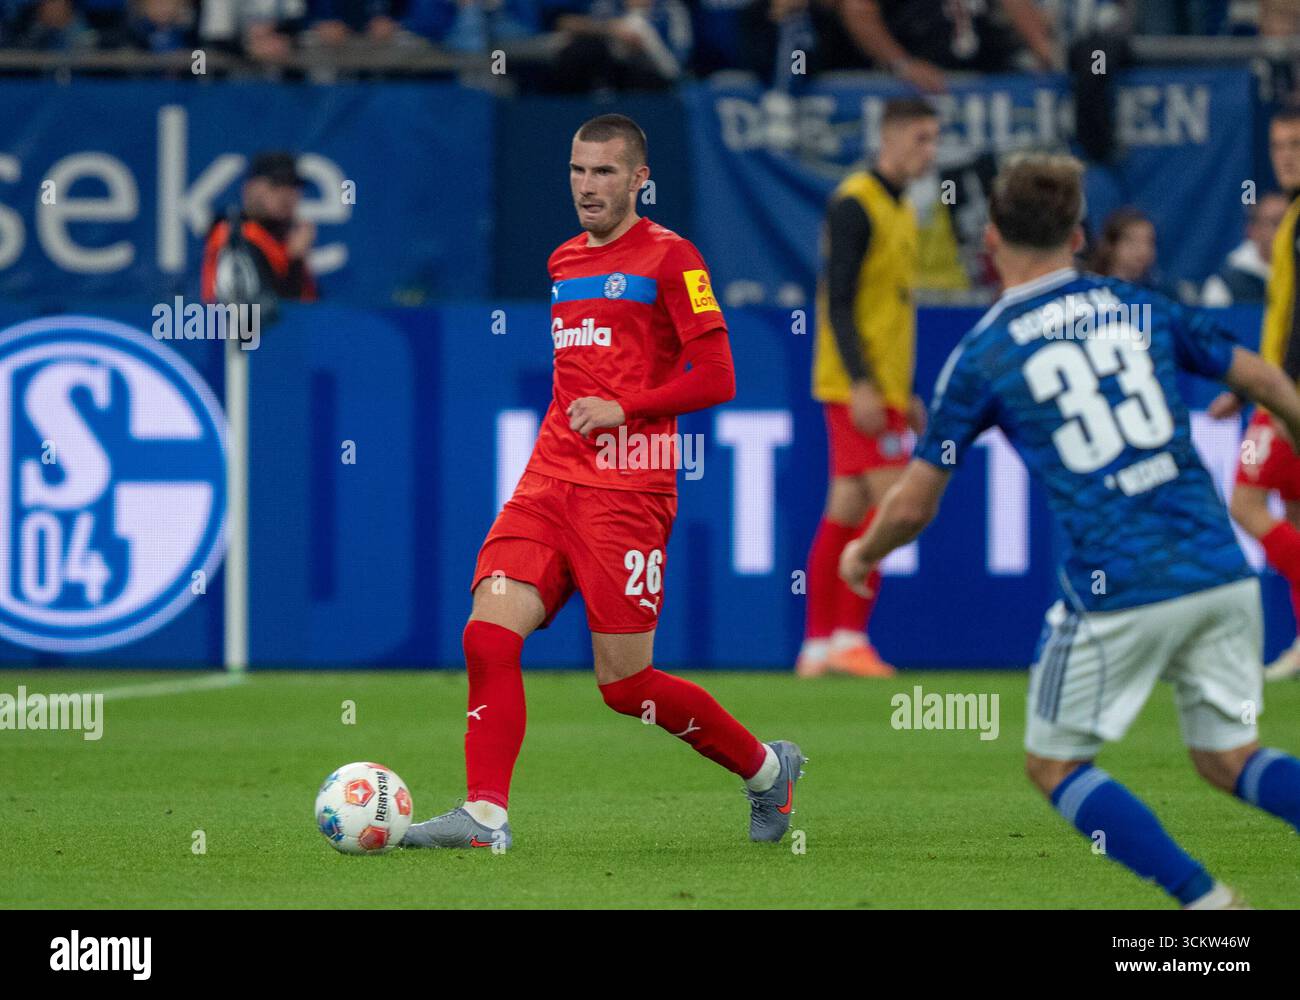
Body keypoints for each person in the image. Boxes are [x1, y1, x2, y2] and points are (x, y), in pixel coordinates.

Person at [839, 153, 1300, 909]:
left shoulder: (984, 353)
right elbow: (1272, 383)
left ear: (989, 238)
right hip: (1221, 568)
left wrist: (865, 550)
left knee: (1054, 766)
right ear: (1080, 234)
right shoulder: (1141, 306)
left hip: (1119, 587)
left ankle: (1211, 907)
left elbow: (916, 502)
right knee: (1228, 757)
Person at [402, 114, 803, 851]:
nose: (588, 187)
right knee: (487, 636)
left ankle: (767, 770)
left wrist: (628, 407)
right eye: (578, 171)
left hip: (628, 493)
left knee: (625, 686)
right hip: (548, 479)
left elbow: (718, 376)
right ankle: (484, 816)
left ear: (639, 180)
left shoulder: (673, 260)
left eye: (605, 173)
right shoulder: (562, 260)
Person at [796, 97, 936, 679]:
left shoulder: (901, 209)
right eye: (923, 139)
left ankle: (818, 647)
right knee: (897, 504)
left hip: (884, 388)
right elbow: (840, 301)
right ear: (893, 136)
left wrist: (903, 393)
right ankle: (851, 636)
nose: (930, 151)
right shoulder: (856, 203)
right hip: (856, 386)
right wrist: (861, 383)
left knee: (846, 509)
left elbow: (889, 311)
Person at [1218, 108, 1300, 681]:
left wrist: (1277, 390)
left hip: (1289, 394)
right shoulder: (1291, 215)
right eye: (1278, 145)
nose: (1286, 154)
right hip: (1277, 386)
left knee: (1244, 502)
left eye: (1296, 143)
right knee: (1294, 512)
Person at [201, 150, 318, 311]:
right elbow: (257, 315)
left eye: (293, 186)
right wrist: (295, 261)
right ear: (249, 188)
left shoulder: (284, 239)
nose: (286, 194)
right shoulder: (233, 235)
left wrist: (295, 261)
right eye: (276, 185)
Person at [1201, 192, 1287, 307]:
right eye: (1276, 223)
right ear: (1254, 230)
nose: (1286, 230)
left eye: (1291, 223)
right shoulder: (1223, 286)